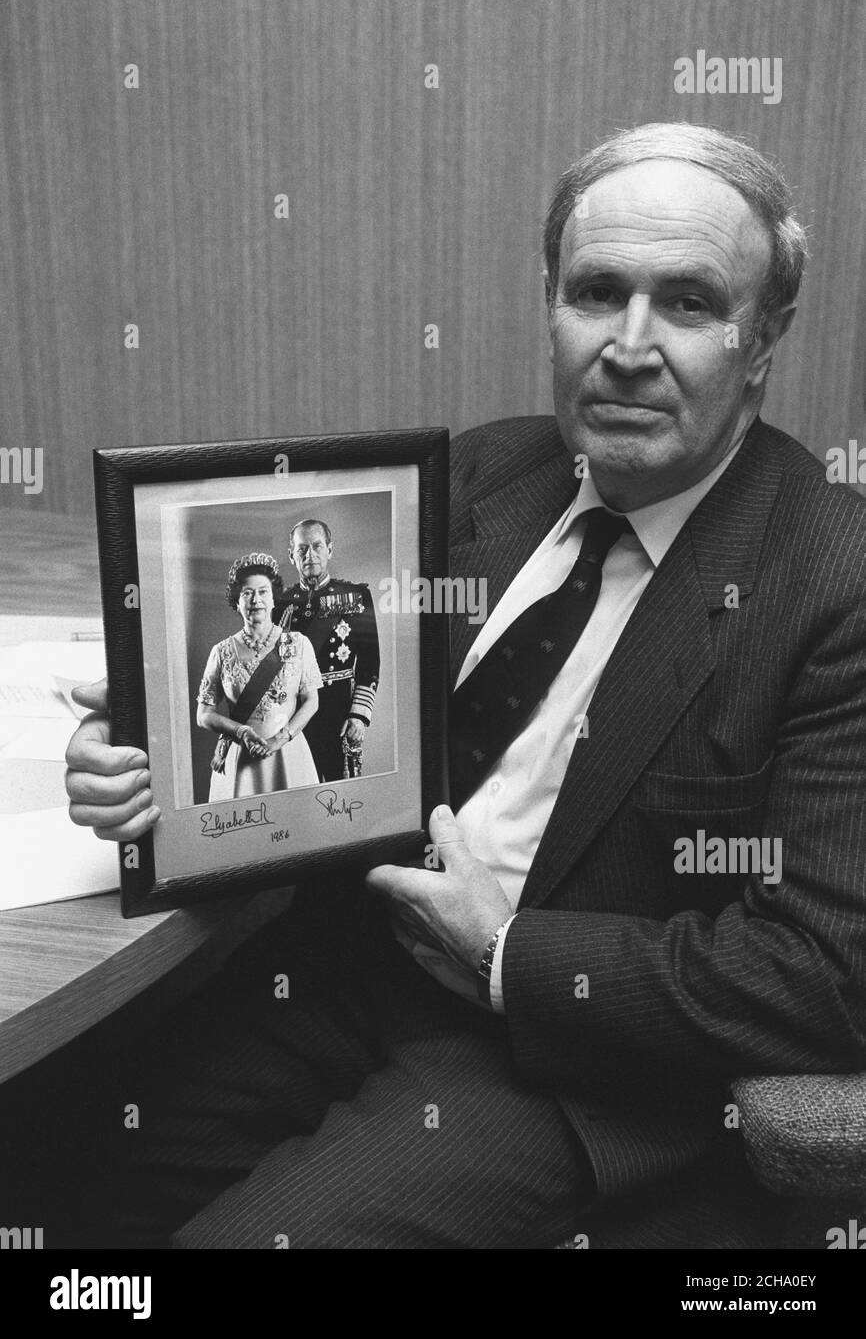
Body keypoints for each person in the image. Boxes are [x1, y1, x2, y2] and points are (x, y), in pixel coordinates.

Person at [60, 122, 866, 1249]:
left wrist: (505, 955)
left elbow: (825, 976)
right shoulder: (485, 473)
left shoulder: (834, 580)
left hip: (571, 1063)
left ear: (761, 335)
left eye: (686, 302)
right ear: (551, 302)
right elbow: (347, 710)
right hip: (344, 964)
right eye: (597, 292)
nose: (628, 345)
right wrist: (150, 754)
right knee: (51, 1170)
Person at [196, 553, 322, 799]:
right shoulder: (221, 652)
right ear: (237, 600)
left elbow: (312, 701)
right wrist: (241, 732)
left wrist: (279, 739)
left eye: (263, 592)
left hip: (288, 752)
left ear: (274, 598)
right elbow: (204, 715)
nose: (256, 600)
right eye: (247, 593)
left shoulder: (298, 644)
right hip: (241, 757)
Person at [277, 518, 380, 781]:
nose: (309, 555)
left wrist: (359, 715)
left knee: (340, 798)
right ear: (292, 555)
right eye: (302, 549)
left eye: (317, 546)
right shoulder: (280, 604)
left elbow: (369, 662)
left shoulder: (355, 598)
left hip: (339, 711)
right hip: (295, 715)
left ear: (329, 550)